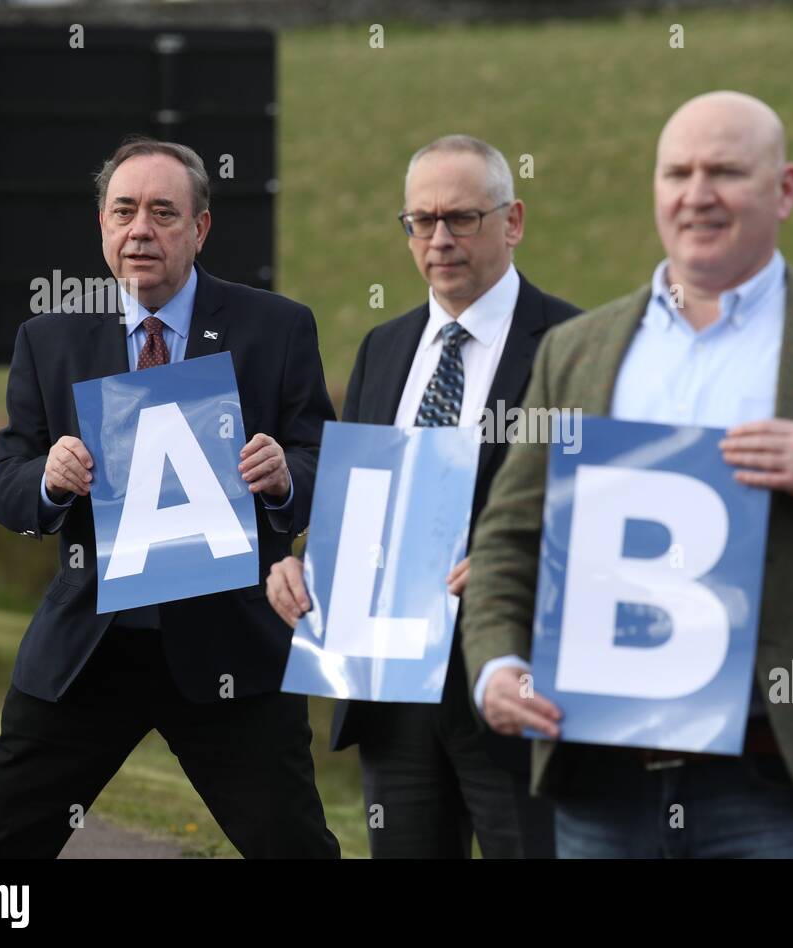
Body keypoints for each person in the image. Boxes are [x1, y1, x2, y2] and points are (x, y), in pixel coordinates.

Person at [460, 92, 793, 858]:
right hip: (601, 784)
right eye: (678, 172)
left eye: (726, 171)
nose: (697, 194)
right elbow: (509, 536)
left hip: (778, 785)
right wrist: (498, 665)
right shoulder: (578, 349)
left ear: (787, 189)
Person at [0, 137, 340, 858]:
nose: (141, 230)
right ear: (102, 224)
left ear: (200, 229)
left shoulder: (277, 327)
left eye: (164, 213)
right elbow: (6, 487)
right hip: (90, 648)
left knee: (295, 847)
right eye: (124, 211)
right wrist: (47, 477)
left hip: (231, 649)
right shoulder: (49, 339)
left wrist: (286, 476)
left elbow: (325, 465)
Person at [266, 135, 579, 857]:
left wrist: (520, 565)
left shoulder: (572, 343)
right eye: (420, 221)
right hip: (391, 689)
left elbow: (597, 508)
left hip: (514, 678)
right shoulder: (384, 346)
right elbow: (362, 503)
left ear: (514, 221)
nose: (439, 239)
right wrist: (309, 566)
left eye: (462, 218)